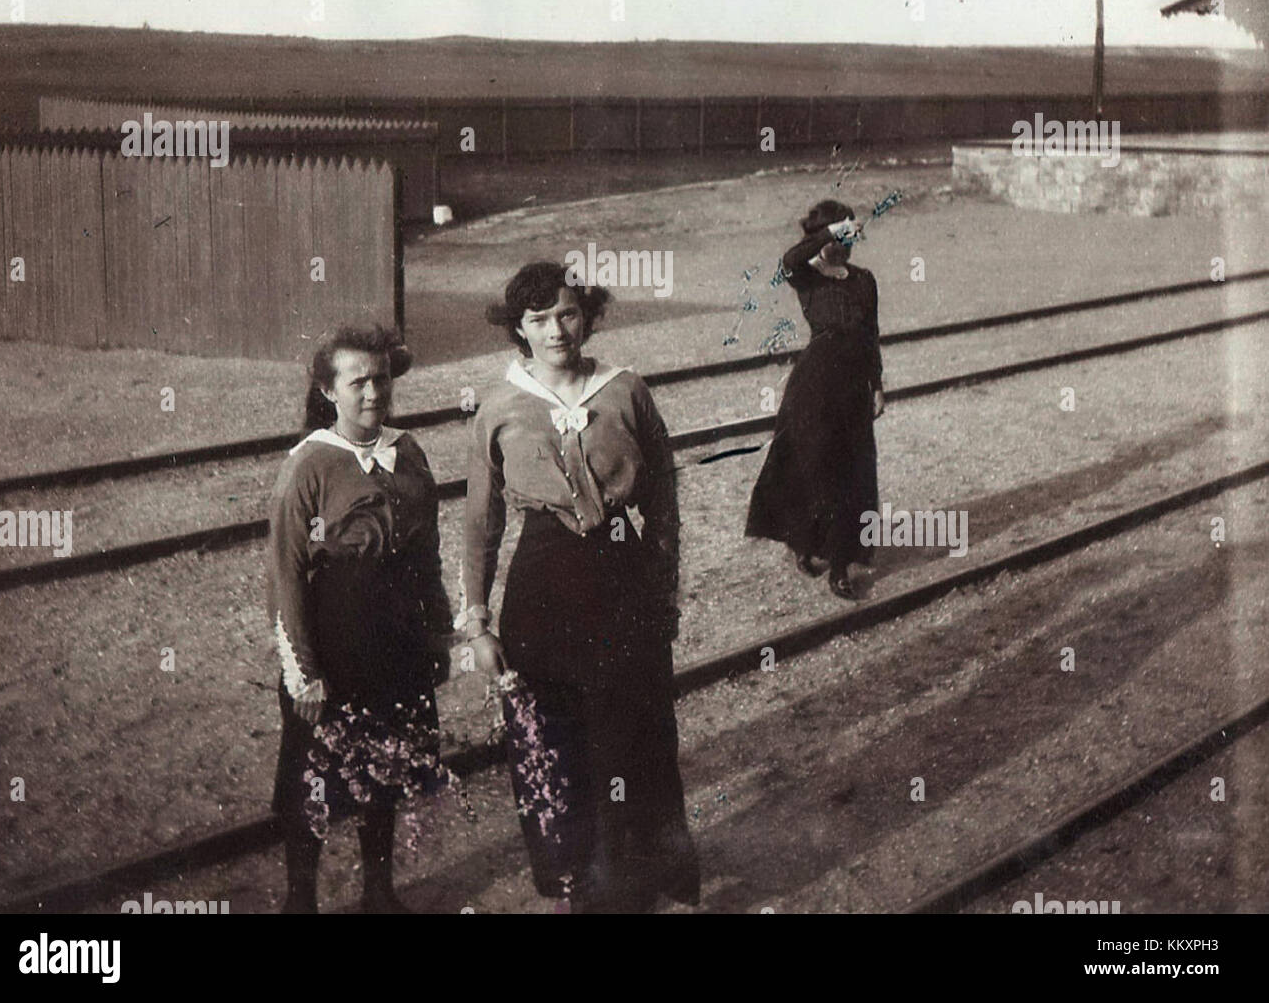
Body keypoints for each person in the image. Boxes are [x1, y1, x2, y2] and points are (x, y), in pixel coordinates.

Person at [461, 260, 699, 913]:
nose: (555, 329)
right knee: (555, 741)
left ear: (585, 315)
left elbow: (666, 499)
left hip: (623, 580)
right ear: (519, 328)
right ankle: (575, 880)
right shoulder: (500, 405)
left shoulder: (626, 390)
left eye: (566, 312)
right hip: (543, 589)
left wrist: (664, 591)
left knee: (630, 734)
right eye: (538, 318)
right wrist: (476, 621)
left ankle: (630, 882)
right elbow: (482, 521)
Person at [267, 321, 453, 914]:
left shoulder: (409, 451)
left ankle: (379, 891)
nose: (374, 394)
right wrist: (305, 673)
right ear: (328, 390)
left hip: (397, 638)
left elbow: (428, 554)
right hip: (335, 636)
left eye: (382, 380)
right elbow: (286, 574)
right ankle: (302, 900)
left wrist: (437, 633)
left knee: (386, 763)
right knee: (315, 775)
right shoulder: (310, 465)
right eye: (358, 383)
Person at [745, 200, 886, 600]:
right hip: (814, 388)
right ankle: (803, 543)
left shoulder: (864, 280)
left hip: (853, 389)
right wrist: (828, 232)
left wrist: (876, 384)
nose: (843, 244)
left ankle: (840, 565)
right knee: (811, 466)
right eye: (835, 237)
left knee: (852, 473)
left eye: (848, 236)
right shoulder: (807, 278)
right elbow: (789, 258)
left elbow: (871, 334)